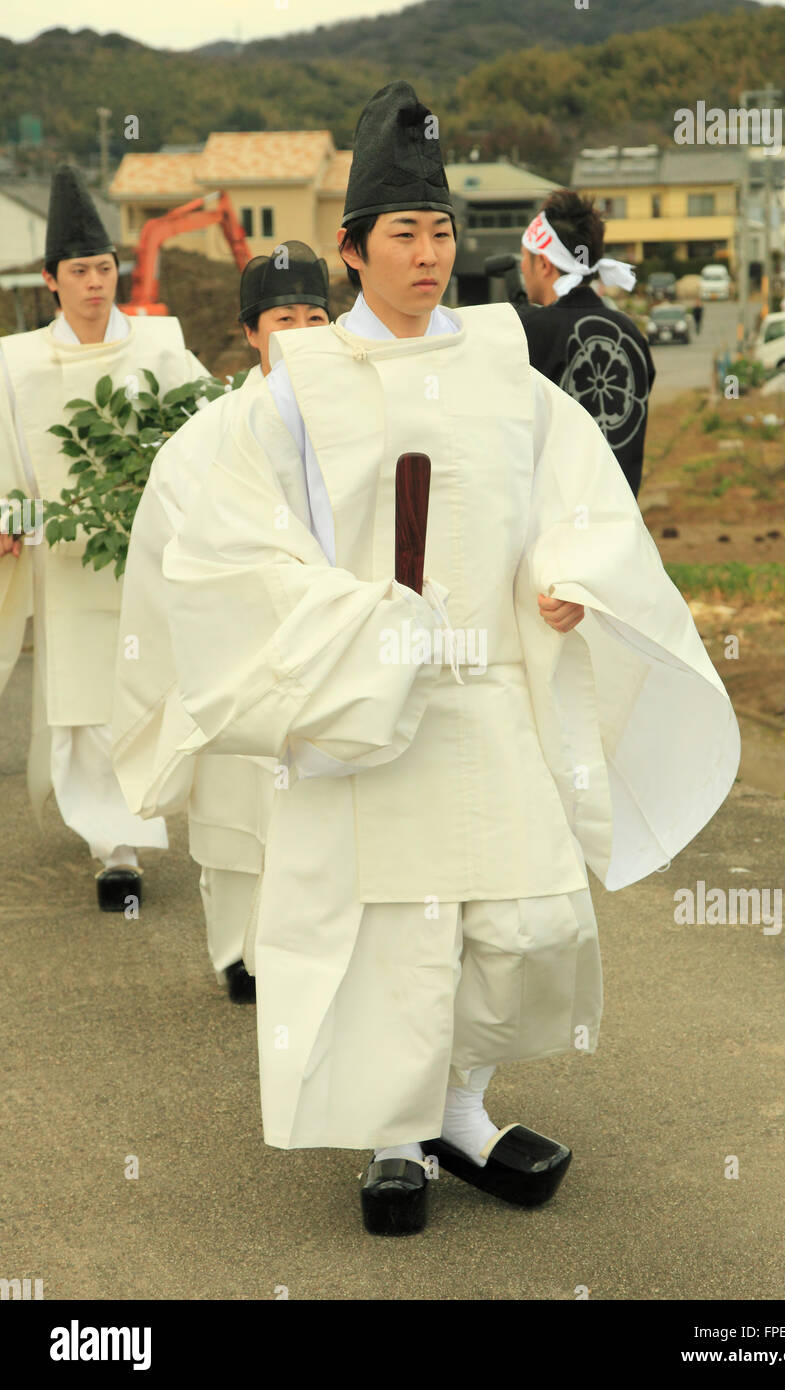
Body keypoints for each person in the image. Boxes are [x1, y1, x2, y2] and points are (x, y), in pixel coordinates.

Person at [158, 81, 739, 1235]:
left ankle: (460, 1103)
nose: (427, 256)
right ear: (350, 251)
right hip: (363, 703)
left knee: (529, 926)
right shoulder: (292, 389)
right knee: (386, 936)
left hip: (487, 693)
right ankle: (395, 1136)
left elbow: (571, 494)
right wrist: (347, 631)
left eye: (439, 234)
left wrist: (565, 577)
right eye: (402, 235)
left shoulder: (496, 366)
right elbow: (233, 540)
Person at [112, 243, 330, 1002]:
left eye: (314, 316)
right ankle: (239, 952)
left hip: (332, 651)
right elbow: (165, 555)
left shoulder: (358, 426)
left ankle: (314, 947)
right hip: (239, 658)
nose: (299, 332)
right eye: (282, 318)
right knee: (239, 807)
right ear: (250, 332)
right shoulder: (205, 438)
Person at [0, 165, 208, 912]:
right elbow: (8, 471)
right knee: (83, 701)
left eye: (104, 267)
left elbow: (203, 429)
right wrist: (9, 522)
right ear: (51, 279)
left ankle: (147, 815)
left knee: (150, 688)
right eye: (79, 271)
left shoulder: (160, 345)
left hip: (147, 553)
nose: (95, 283)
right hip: (67, 556)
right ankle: (114, 849)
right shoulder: (16, 362)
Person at [518, 190, 655, 498]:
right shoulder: (631, 335)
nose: (522, 269)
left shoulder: (524, 335)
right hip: (623, 529)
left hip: (555, 532)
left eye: (524, 258)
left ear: (543, 263)